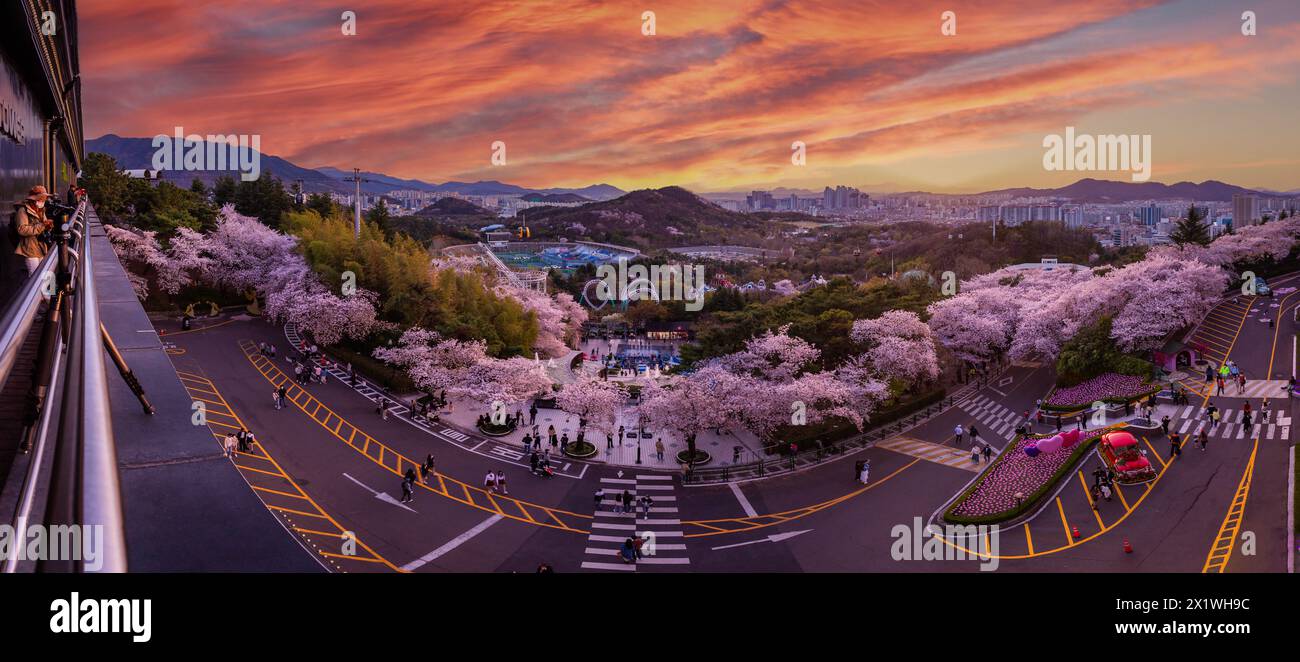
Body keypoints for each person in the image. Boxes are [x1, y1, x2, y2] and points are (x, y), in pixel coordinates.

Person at [11, 186, 53, 276]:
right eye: (41, 199)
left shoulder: (41, 210)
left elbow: (43, 225)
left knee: (44, 274)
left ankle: (45, 290)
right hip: (30, 248)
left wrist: (48, 226)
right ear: (34, 199)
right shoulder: (23, 211)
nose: (43, 201)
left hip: (41, 247)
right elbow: (22, 229)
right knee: (34, 277)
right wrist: (42, 225)